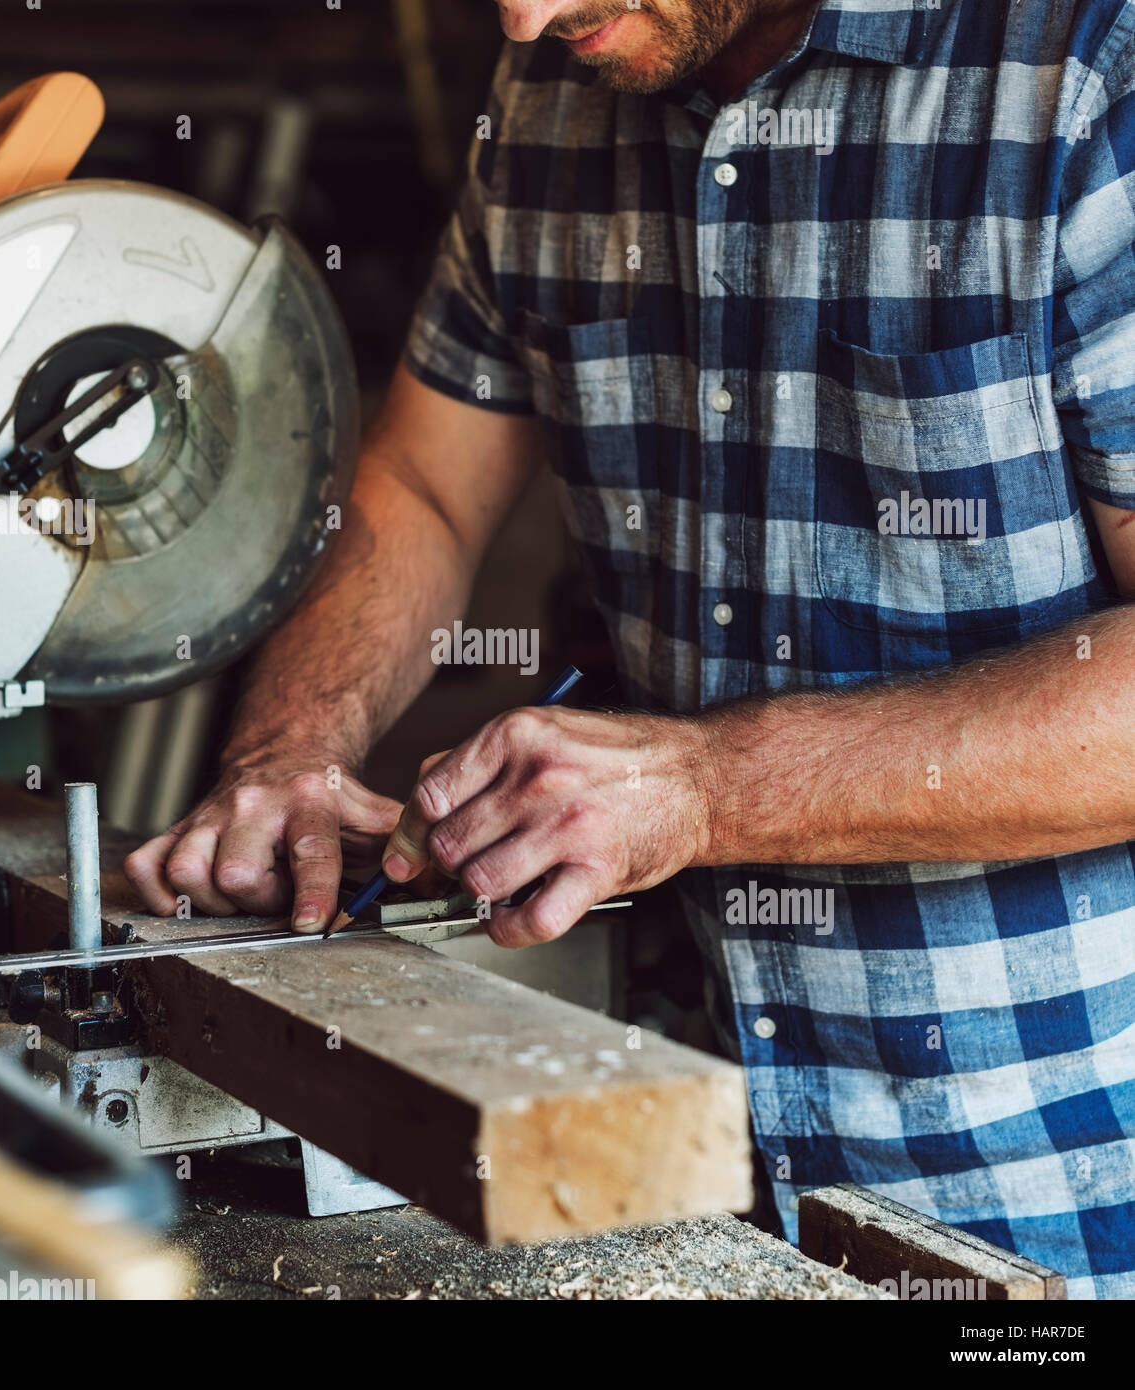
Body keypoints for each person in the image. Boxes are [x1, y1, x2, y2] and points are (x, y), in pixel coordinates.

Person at [127, 1, 1135, 1296]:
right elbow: (424, 487)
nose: (526, 15)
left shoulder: (1080, 74)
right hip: (699, 1167)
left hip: (1064, 1194)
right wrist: (291, 752)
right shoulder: (553, 83)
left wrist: (700, 787)